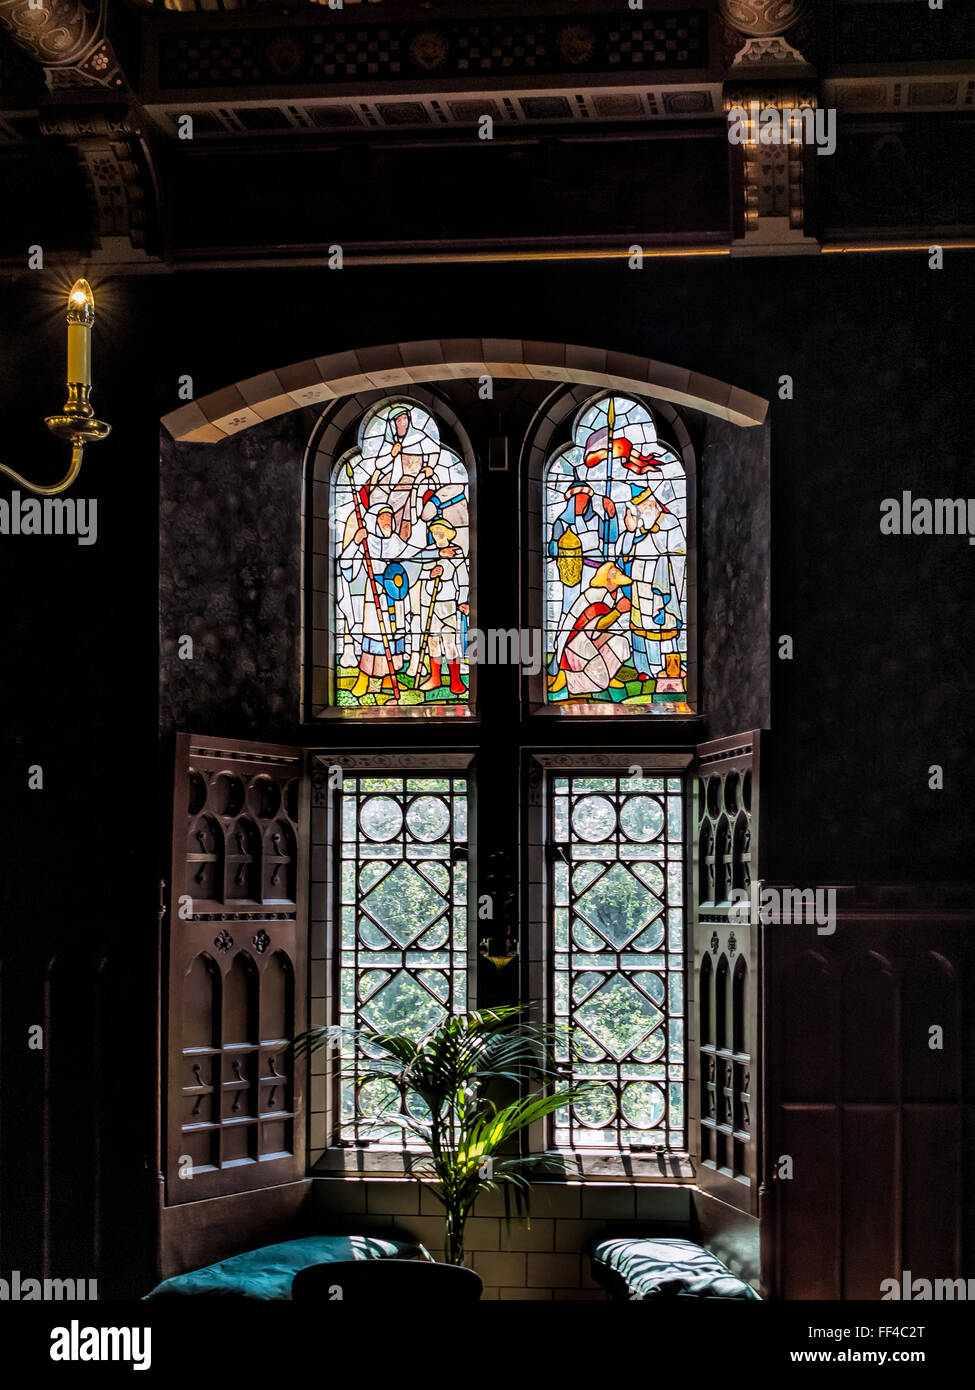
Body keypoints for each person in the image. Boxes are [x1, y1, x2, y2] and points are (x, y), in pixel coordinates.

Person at [615, 483, 686, 682]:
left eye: (642, 508)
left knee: (663, 625)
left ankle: (668, 666)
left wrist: (664, 562)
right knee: (641, 626)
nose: (639, 514)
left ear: (653, 505)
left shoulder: (670, 522)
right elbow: (624, 554)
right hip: (639, 585)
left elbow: (680, 554)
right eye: (637, 510)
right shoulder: (638, 530)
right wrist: (632, 533)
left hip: (662, 587)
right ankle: (645, 668)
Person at [339, 503, 410, 699]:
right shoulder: (366, 541)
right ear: (374, 521)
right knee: (374, 637)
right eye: (382, 518)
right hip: (375, 595)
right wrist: (355, 542)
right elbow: (345, 563)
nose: (387, 521)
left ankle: (390, 677)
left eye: (389, 517)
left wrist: (438, 553)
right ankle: (363, 679)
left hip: (396, 596)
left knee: (395, 638)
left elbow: (415, 555)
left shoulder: (396, 542)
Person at [548, 561, 633, 698]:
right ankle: (569, 678)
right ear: (607, 579)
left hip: (591, 637)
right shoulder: (596, 595)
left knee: (621, 643)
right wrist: (618, 611)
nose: (618, 574)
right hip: (575, 640)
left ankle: (609, 676)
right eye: (614, 573)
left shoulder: (611, 594)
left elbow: (596, 631)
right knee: (600, 681)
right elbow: (598, 625)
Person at [416, 519, 469, 695]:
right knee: (432, 641)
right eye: (433, 530)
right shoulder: (427, 553)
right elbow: (416, 571)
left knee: (449, 640)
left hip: (447, 602)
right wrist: (429, 573)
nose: (436, 533)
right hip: (428, 601)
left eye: (440, 529)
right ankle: (435, 678)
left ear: (448, 532)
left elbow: (462, 578)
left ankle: (455, 680)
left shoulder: (456, 552)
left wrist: (462, 600)